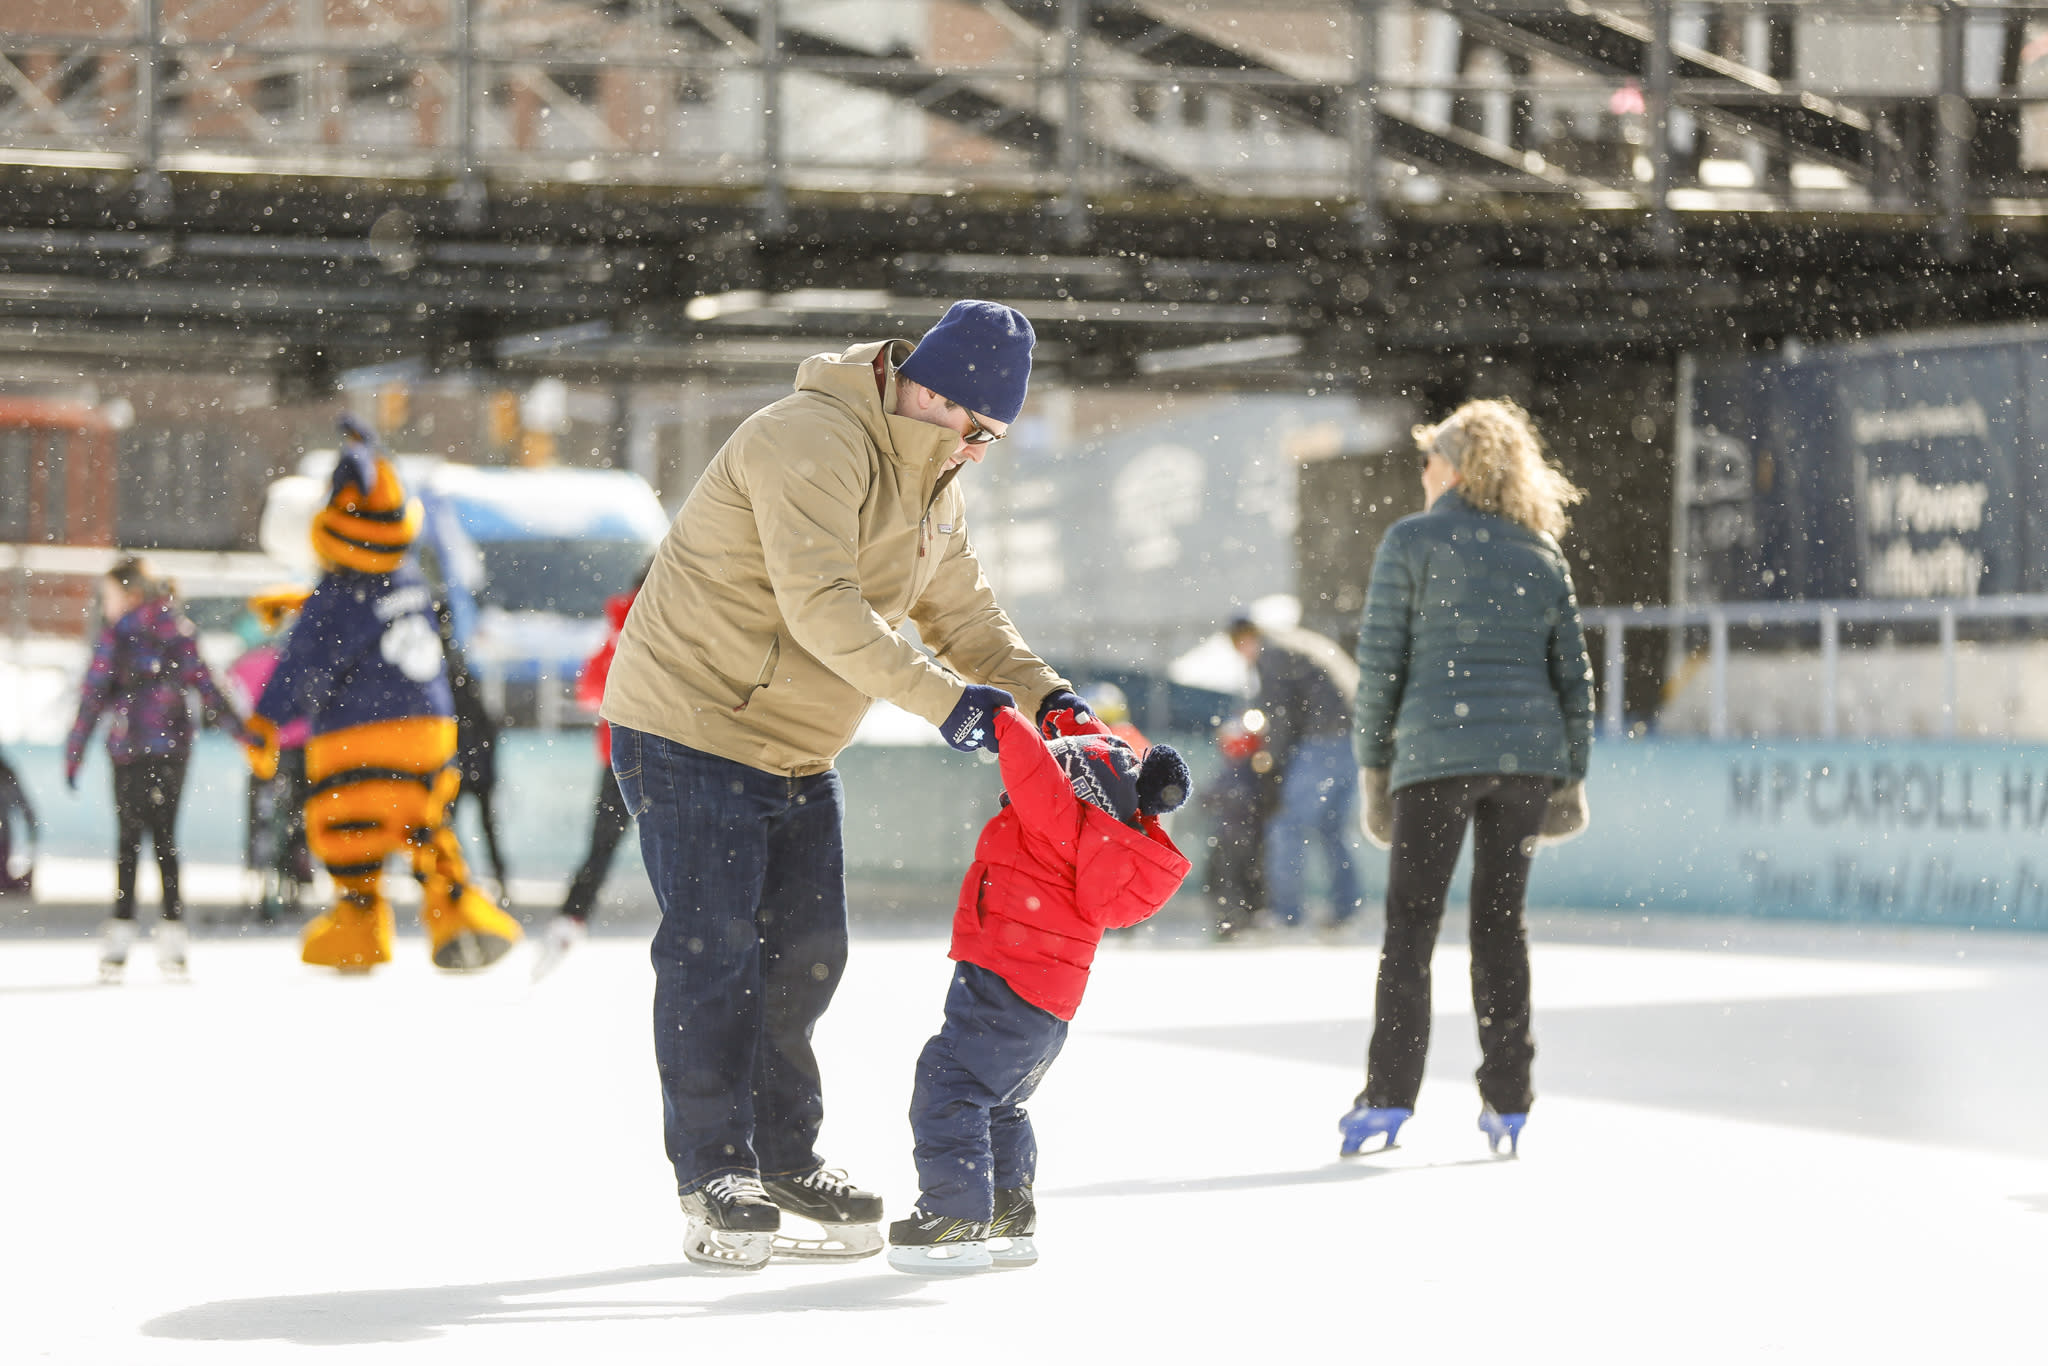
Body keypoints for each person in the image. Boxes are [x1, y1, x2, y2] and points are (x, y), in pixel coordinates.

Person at [600, 300, 1092, 1271]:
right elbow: (821, 607)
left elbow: (968, 618)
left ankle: (784, 1157)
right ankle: (714, 1171)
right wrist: (945, 704)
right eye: (981, 431)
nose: (982, 452)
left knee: (808, 954)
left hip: (794, 749)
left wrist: (1053, 702)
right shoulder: (807, 440)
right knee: (712, 954)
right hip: (689, 724)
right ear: (939, 396)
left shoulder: (932, 484)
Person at [1341, 398, 1594, 1160]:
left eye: (1427, 460)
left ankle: (1387, 1098)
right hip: (1523, 763)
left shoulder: (1413, 542)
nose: (1422, 474)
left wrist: (1373, 771)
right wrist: (1569, 774)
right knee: (1499, 927)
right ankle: (1509, 1100)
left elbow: (1381, 663)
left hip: (1434, 759)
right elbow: (1572, 676)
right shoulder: (1537, 550)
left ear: (1449, 467)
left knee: (1410, 931)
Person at [888, 706, 1190, 1274]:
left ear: (1067, 787)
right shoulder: (1099, 834)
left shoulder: (1053, 819)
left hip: (1003, 979)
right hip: (1044, 1006)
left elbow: (1035, 769)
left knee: (949, 1085)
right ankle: (1006, 1213)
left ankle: (954, 1218)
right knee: (999, 1100)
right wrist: (1069, 724)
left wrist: (1000, 717)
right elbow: (1096, 768)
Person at [243, 416, 523, 974]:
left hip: (359, 728)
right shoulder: (409, 578)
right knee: (421, 824)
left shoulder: (334, 597)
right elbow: (366, 616)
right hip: (429, 726)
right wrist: (305, 602)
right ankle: (460, 913)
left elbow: (304, 660)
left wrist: (266, 721)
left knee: (346, 828)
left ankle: (359, 924)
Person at [64, 557, 251, 981]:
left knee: (130, 840)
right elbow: (207, 687)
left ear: (130, 595)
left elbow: (93, 697)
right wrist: (243, 733)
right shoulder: (176, 631)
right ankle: (171, 932)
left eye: (108, 597)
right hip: (171, 749)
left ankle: (123, 932)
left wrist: (74, 751)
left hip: (132, 750)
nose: (104, 606)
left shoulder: (120, 635)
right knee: (165, 839)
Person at [531, 569, 644, 982]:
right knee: (683, 842)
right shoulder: (676, 618)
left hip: (618, 754)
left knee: (602, 843)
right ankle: (701, 918)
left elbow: (589, 688)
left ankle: (572, 916)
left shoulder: (621, 627)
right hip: (670, 749)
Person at [1229, 618, 1363, 933]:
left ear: (1246, 639)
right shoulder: (1299, 641)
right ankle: (1347, 911)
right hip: (1353, 740)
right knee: (1332, 829)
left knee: (1287, 825)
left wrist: (1271, 759)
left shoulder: (1271, 653)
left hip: (1321, 742)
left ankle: (1287, 915)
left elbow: (1278, 713)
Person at [433, 597, 509, 902]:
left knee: (446, 825)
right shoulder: (456, 661)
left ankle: (453, 882)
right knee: (482, 825)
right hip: (475, 757)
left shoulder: (437, 663)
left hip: (457, 759)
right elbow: (484, 718)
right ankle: (495, 877)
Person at [1200, 706, 1279, 940]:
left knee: (1233, 879)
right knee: (1233, 878)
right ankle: (1236, 919)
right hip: (1237, 835)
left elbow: (1228, 796)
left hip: (1239, 836)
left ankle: (1234, 920)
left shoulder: (1249, 769)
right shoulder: (1241, 768)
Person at [1, 743, 39, 897]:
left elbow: (23, 803)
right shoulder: (6, 774)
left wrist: (32, 825)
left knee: (4, 882)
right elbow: (23, 804)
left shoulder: (6, 774)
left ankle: (18, 883)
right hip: (3, 836)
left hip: (2, 837)